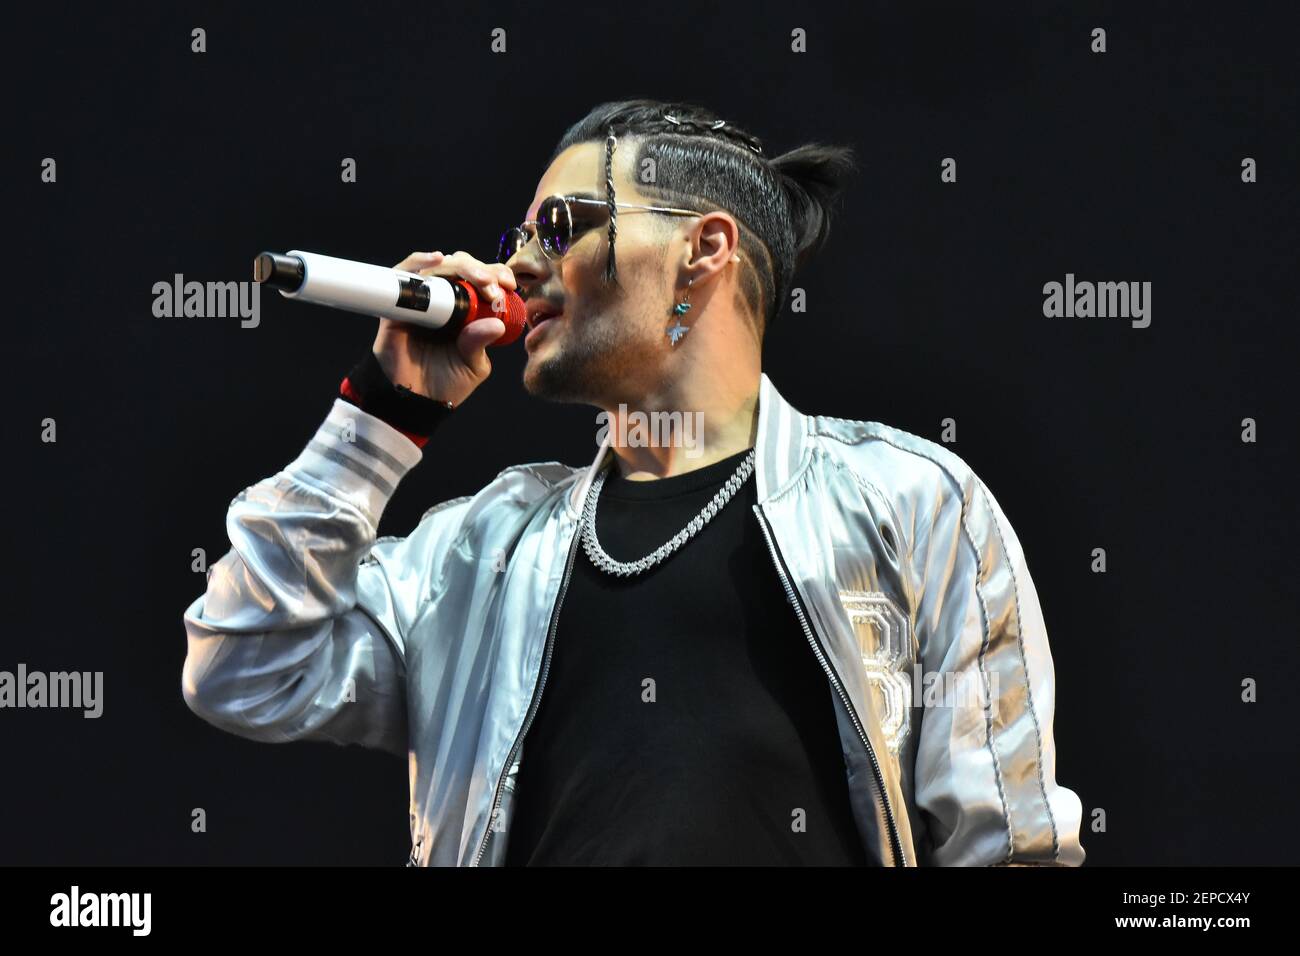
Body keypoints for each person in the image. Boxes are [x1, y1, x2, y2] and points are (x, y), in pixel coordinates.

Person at [181, 98, 1087, 867]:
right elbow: (242, 668)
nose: (518, 264)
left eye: (563, 227)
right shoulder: (479, 554)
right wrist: (380, 420)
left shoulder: (910, 504)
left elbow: (1009, 847)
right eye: (517, 236)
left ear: (704, 252)